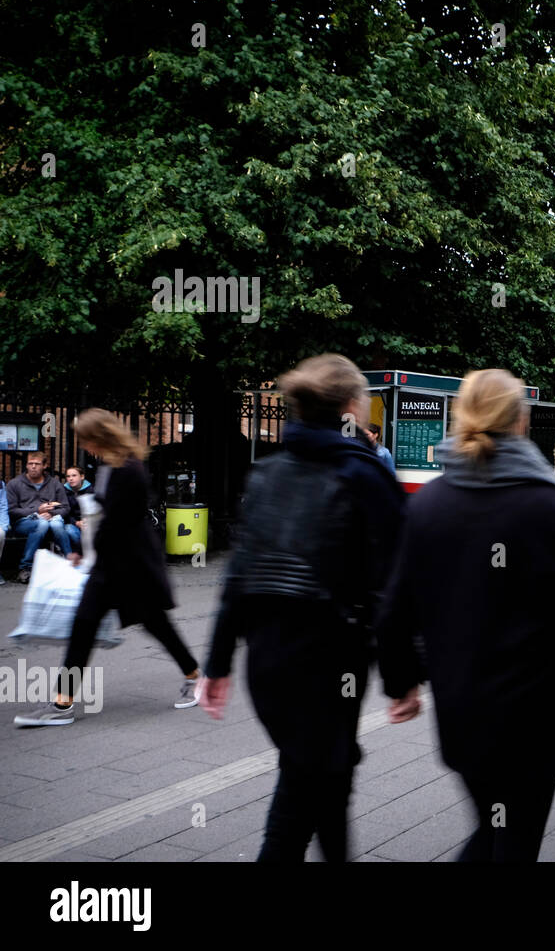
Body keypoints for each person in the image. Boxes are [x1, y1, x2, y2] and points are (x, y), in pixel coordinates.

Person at [375, 369, 555, 861]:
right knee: (513, 836)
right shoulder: (546, 505)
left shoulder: (430, 505)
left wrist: (401, 681)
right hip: (531, 711)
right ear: (520, 422)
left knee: (492, 824)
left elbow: (393, 610)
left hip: (460, 706)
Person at [199, 354, 404, 862]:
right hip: (330, 664)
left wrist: (219, 663)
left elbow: (239, 574)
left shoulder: (268, 473)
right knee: (301, 792)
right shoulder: (364, 474)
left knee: (325, 774)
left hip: (267, 663)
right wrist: (403, 677)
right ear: (351, 406)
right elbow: (393, 583)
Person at [14, 411, 203, 727]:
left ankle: (195, 675)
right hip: (114, 564)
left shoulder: (128, 469)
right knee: (87, 625)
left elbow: (116, 522)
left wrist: (81, 550)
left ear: (100, 436)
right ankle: (62, 703)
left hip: (129, 566)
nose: (85, 445)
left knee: (154, 624)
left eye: (87, 438)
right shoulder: (115, 466)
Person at [7, 452, 73, 582]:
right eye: (30, 464)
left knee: (56, 525)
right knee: (42, 524)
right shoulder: (15, 484)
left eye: (36, 464)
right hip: (24, 522)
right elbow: (12, 511)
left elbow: (66, 507)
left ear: (44, 466)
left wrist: (51, 514)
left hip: (51, 520)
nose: (33, 467)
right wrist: (36, 510)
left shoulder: (55, 484)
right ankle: (25, 568)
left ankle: (70, 564)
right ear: (26, 465)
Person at [63, 466, 94, 554]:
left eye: (74, 475)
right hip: (72, 523)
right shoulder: (63, 491)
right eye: (68, 476)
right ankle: (79, 554)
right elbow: (64, 511)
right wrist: (76, 522)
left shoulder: (91, 490)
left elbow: (95, 510)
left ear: (82, 476)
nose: (71, 479)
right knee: (69, 530)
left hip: (88, 523)